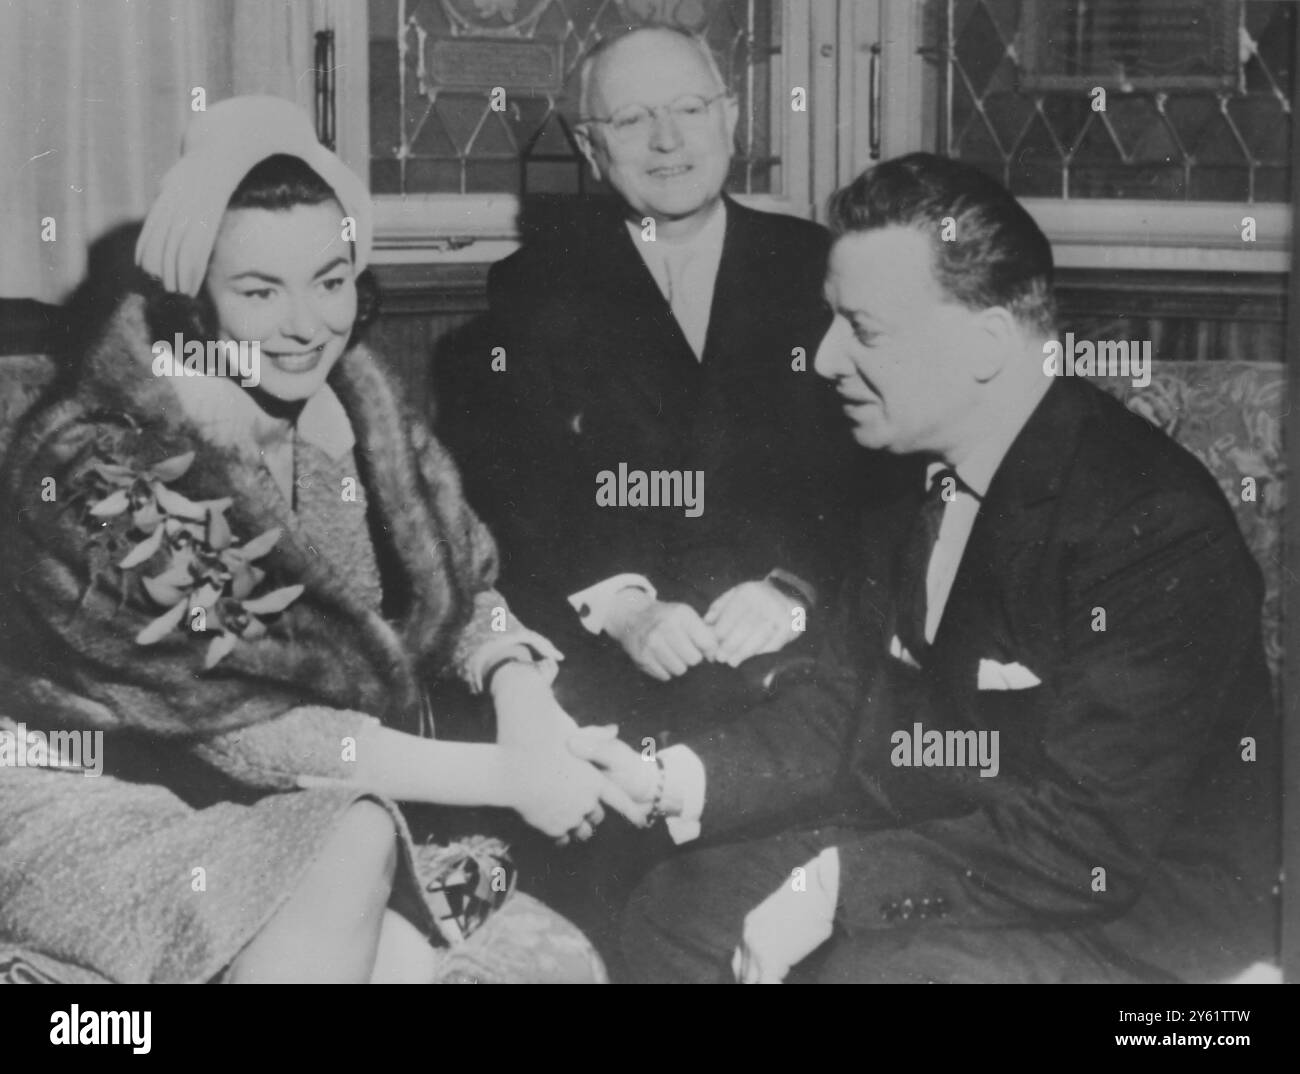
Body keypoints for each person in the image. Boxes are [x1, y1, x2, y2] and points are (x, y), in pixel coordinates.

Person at [577, 153, 1279, 983]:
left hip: (1134, 912)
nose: (828, 358)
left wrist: (836, 885)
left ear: (985, 344)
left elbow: (1090, 835)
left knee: (873, 973)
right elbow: (852, 703)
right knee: (679, 909)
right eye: (831, 321)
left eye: (863, 330)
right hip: (966, 848)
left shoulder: (1148, 523)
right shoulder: (904, 477)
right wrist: (674, 779)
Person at [0, 96, 641, 984]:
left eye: (331, 280)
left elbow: (460, 587)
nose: (308, 325)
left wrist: (522, 695)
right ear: (192, 302)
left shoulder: (356, 412)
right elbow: (246, 729)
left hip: (280, 803)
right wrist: (510, 776)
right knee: (360, 843)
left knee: (395, 933)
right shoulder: (103, 467)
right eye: (260, 291)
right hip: (97, 803)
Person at [458, 25, 864, 743]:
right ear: (590, 148)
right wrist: (621, 607)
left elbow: (873, 476)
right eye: (632, 120)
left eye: (689, 109)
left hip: (802, 643)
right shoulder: (533, 287)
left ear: (731, 119)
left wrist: (794, 588)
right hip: (621, 661)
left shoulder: (819, 268)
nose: (667, 141)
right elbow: (515, 494)